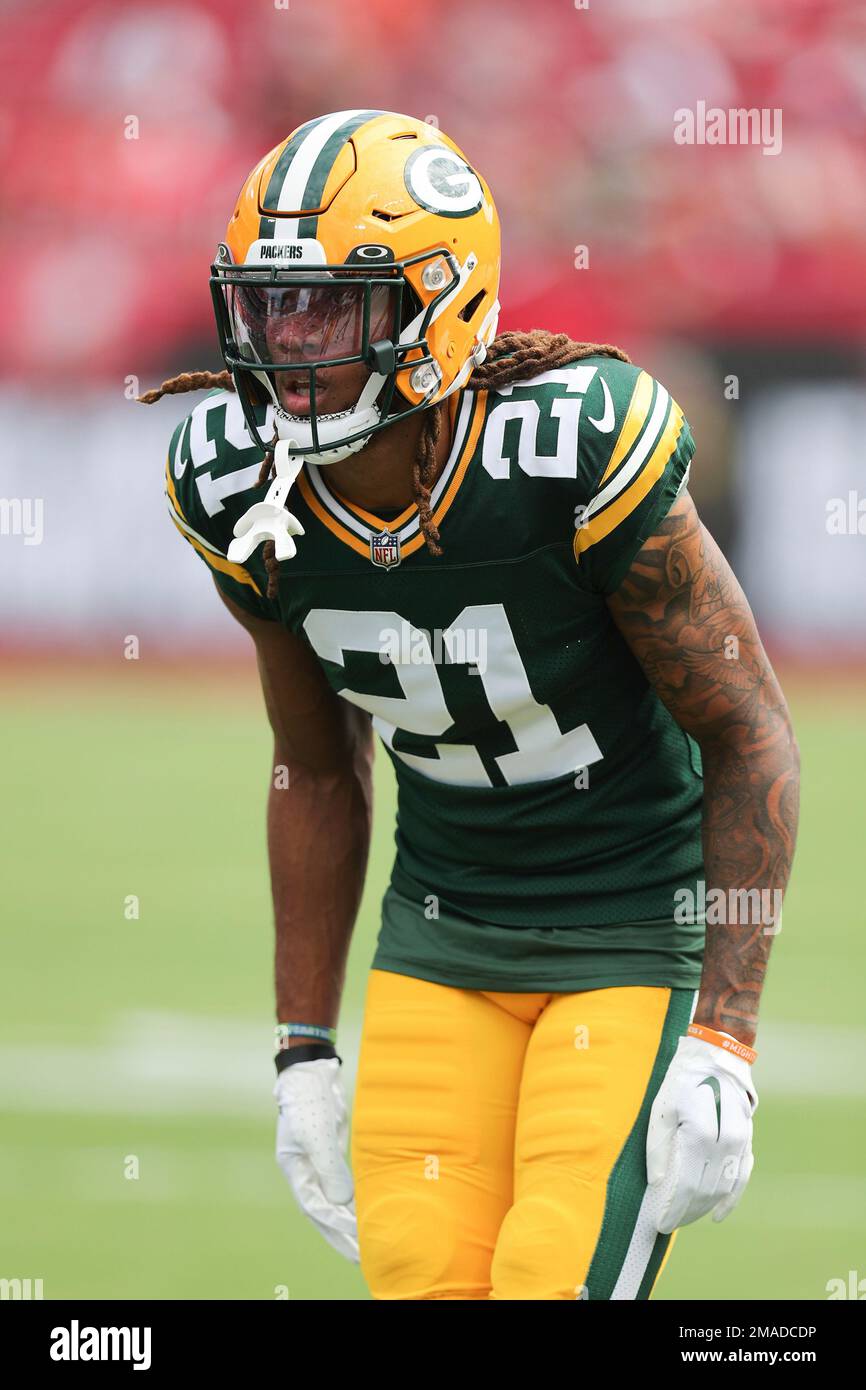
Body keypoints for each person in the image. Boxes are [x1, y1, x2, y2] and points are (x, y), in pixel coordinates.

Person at [142, 109, 800, 1300]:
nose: (288, 344)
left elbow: (746, 729)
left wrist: (726, 1032)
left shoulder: (570, 446)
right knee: (423, 1281)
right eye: (267, 305)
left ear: (435, 306)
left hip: (628, 936)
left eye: (329, 306)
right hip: (438, 938)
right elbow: (317, 762)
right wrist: (301, 1045)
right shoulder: (237, 483)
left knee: (550, 1279)